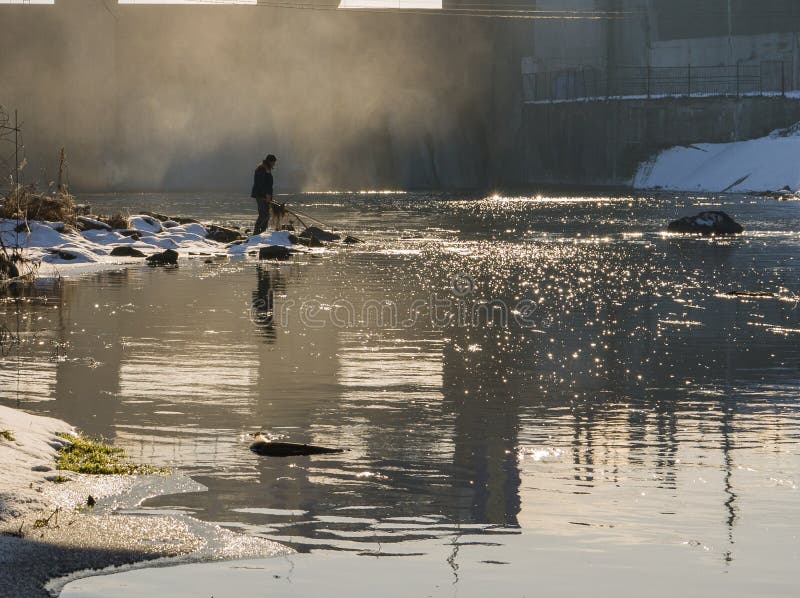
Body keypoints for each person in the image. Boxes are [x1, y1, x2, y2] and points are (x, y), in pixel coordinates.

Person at [251, 154, 277, 235]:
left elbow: (267, 184)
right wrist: (267, 195)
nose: (274, 164)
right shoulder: (262, 169)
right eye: (273, 162)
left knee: (266, 214)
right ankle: (256, 232)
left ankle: (262, 232)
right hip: (261, 196)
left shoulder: (265, 168)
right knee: (264, 214)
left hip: (263, 195)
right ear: (270, 161)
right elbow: (262, 184)